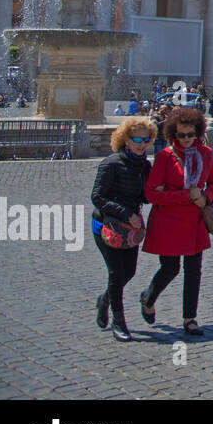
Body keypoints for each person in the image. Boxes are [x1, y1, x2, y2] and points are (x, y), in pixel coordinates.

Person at [140, 107, 213, 337]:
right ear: (173, 134)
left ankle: (190, 317)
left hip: (195, 220)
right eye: (181, 135)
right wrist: (186, 195)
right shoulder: (165, 157)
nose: (186, 140)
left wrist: (206, 197)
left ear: (198, 133)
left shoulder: (205, 154)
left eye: (190, 135)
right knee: (170, 267)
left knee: (194, 270)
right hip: (169, 222)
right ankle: (148, 297)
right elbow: (151, 193)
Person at [91, 117, 154, 341]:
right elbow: (97, 197)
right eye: (136, 138)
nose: (141, 143)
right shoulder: (111, 163)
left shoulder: (145, 165)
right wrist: (126, 213)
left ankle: (105, 299)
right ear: (125, 139)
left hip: (130, 227)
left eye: (146, 140)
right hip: (106, 225)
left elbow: (145, 196)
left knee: (130, 272)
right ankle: (119, 321)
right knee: (116, 273)